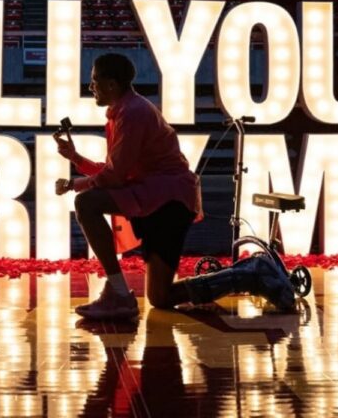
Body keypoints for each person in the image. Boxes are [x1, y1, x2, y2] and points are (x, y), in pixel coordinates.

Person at [54, 53, 296, 320]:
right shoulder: (127, 110)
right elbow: (118, 171)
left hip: (166, 203)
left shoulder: (132, 113)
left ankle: (120, 293)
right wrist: (76, 159)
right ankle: (248, 274)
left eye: (94, 81)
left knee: (86, 203)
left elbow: (115, 176)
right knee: (160, 297)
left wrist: (73, 184)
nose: (91, 88)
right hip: (159, 200)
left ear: (111, 84)